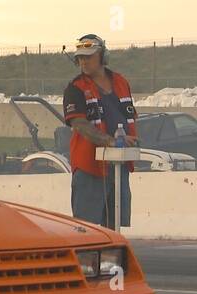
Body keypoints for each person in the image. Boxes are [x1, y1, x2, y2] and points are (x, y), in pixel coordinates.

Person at [62, 34, 139, 228]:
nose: (83, 61)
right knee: (87, 230)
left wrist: (130, 141)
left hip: (118, 165)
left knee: (113, 228)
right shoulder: (75, 88)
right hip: (90, 168)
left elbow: (128, 117)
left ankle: (111, 260)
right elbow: (79, 124)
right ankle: (88, 260)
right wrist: (109, 141)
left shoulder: (121, 82)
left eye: (88, 56)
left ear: (102, 56)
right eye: (80, 58)